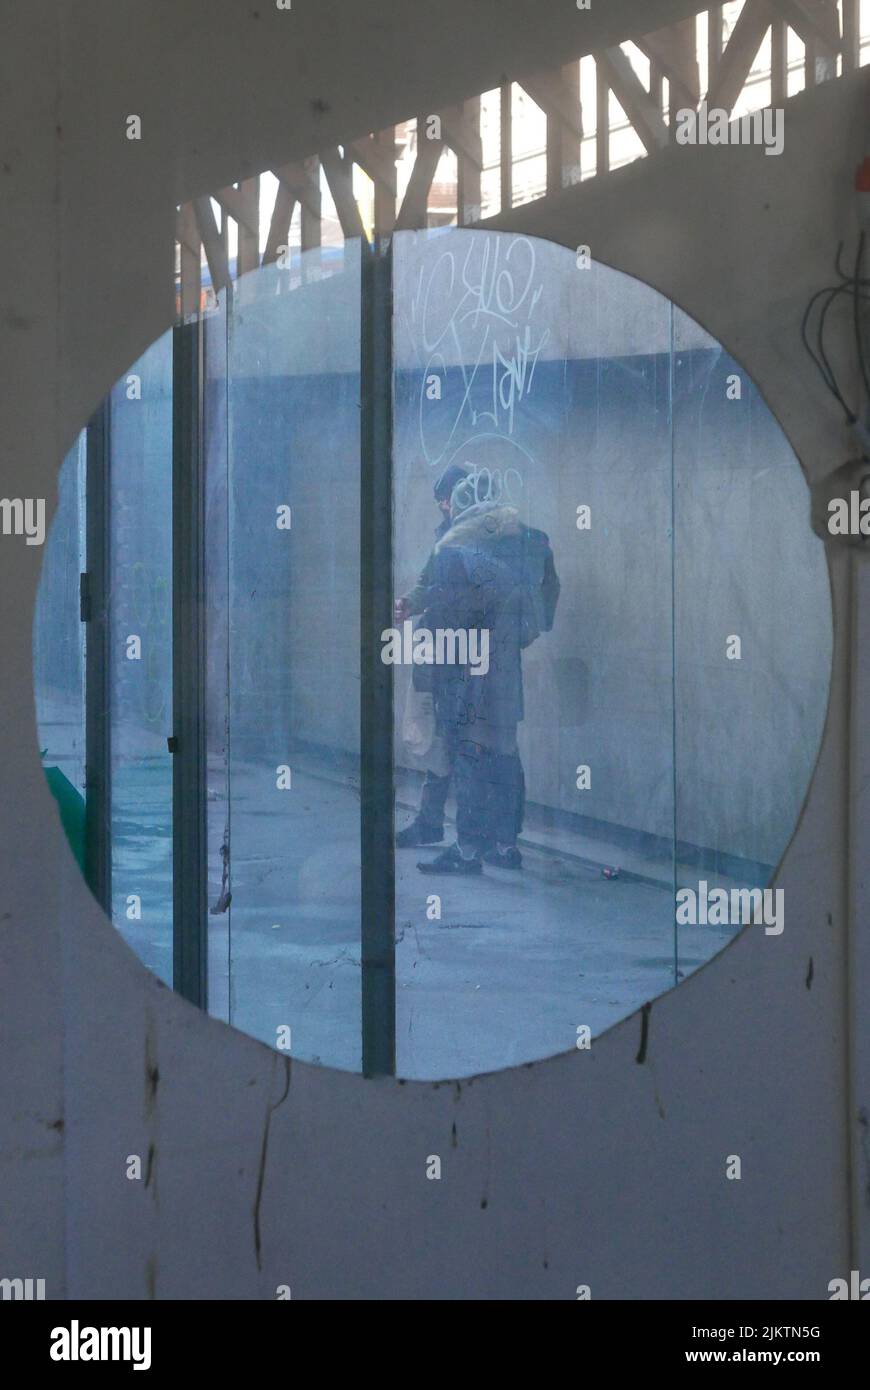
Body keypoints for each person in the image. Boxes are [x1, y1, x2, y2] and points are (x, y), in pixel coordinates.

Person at [415, 481, 559, 875]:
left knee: (469, 759)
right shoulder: (528, 540)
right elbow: (547, 599)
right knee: (505, 754)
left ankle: (466, 851)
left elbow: (445, 617)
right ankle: (506, 845)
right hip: (506, 668)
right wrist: (521, 636)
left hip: (467, 671)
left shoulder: (454, 550)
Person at [394, 462, 472, 849]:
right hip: (449, 650)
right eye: (441, 501)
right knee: (444, 737)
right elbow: (428, 582)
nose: (444, 507)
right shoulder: (448, 535)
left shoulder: (479, 536)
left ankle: (475, 837)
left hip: (469, 653)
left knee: (470, 742)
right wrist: (410, 603)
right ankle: (436, 823)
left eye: (447, 500)